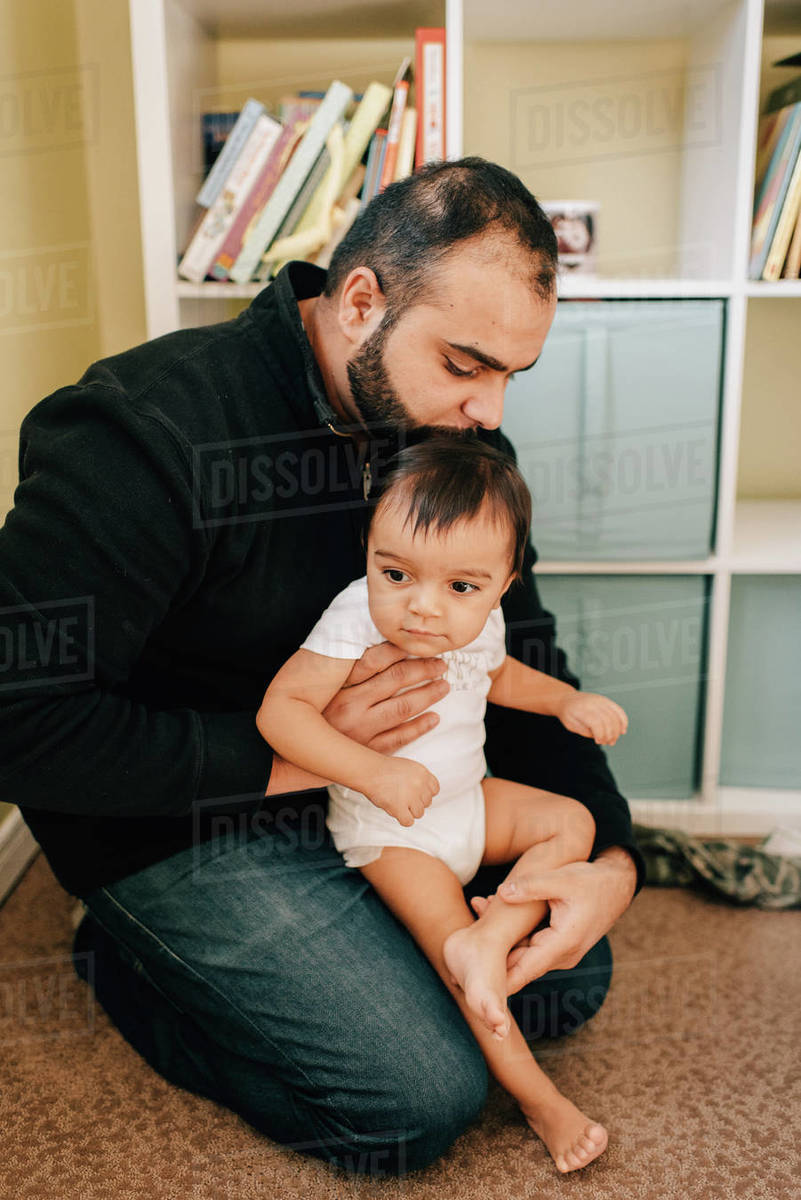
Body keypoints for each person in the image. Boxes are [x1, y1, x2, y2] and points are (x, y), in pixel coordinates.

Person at [0, 156, 645, 1176]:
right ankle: (122, 958)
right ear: (360, 302)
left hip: (393, 795)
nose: (490, 414)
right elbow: (20, 724)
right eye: (466, 364)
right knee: (413, 1100)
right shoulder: (141, 432)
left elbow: (519, 652)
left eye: (510, 377)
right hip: (181, 815)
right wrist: (315, 756)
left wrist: (611, 861)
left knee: (566, 980)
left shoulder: (454, 444)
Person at [257, 436, 629, 1174]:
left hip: (468, 802)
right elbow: (282, 712)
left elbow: (499, 675)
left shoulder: (481, 617)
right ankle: (540, 1100)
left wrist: (566, 700)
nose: (422, 608)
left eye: (460, 586)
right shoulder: (354, 617)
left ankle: (491, 937)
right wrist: (371, 771)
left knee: (573, 822)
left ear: (503, 584)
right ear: (369, 552)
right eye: (395, 573)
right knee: (461, 974)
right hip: (394, 834)